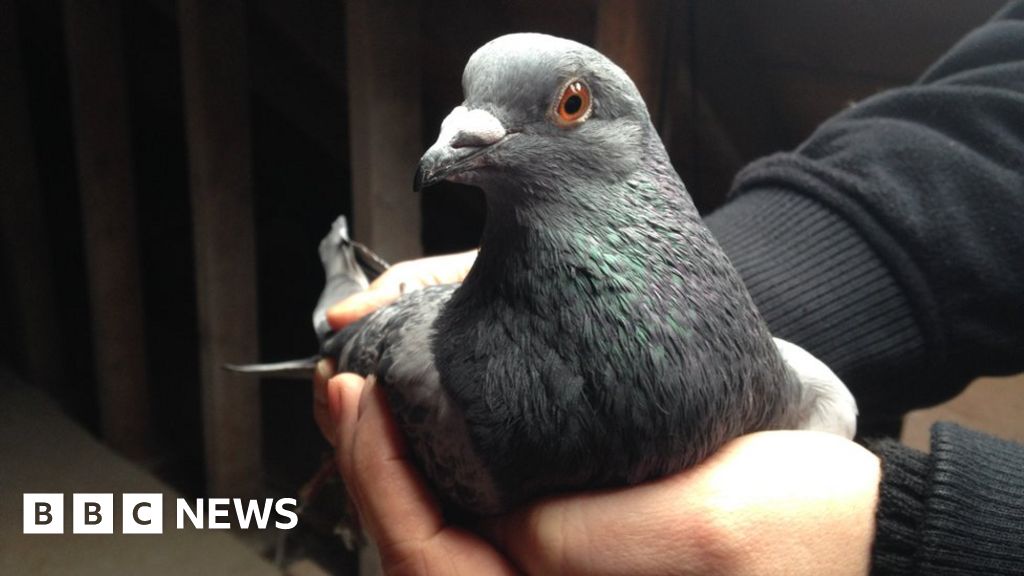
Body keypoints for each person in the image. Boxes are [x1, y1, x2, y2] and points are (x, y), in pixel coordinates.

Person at [313, 2, 1024, 574]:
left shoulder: (801, 393)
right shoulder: (442, 384)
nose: (463, 131)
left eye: (568, 105)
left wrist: (907, 544)